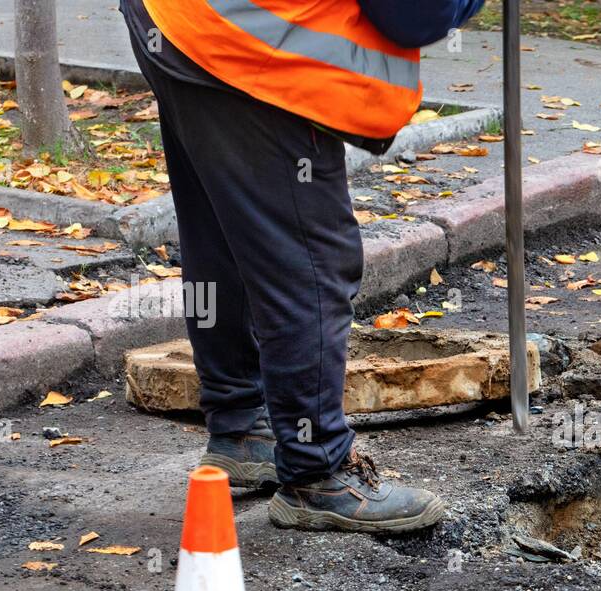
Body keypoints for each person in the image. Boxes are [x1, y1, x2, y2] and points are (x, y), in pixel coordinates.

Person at [120, 0, 482, 532]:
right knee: (309, 259)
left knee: (223, 231)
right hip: (253, 48)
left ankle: (244, 427)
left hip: (179, 19)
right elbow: (414, 15)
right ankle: (318, 472)